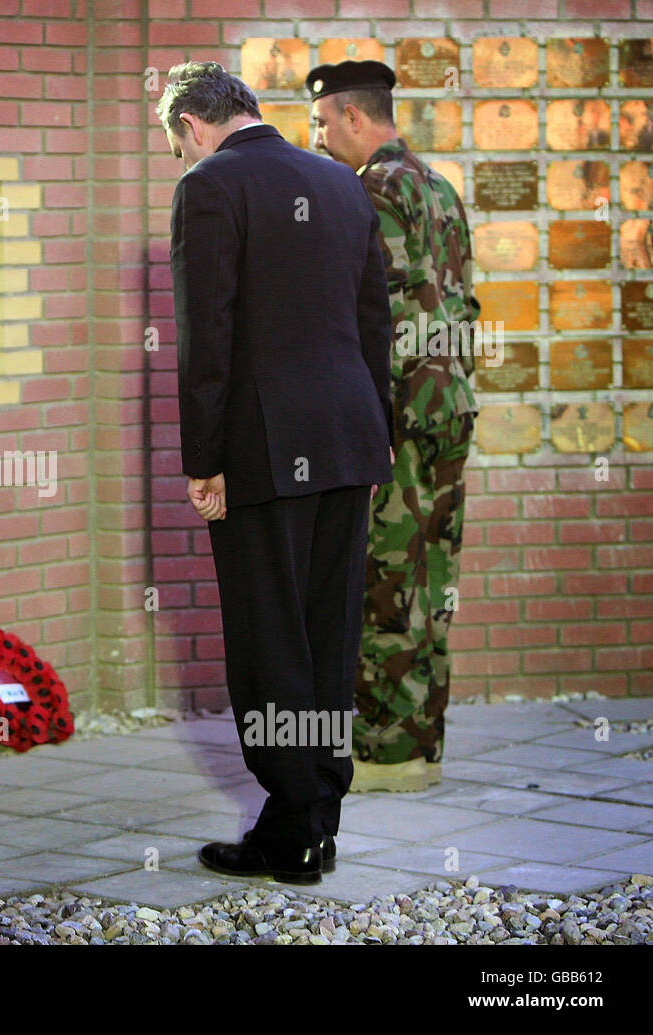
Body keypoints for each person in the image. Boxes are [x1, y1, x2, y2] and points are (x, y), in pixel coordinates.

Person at [158, 61, 394, 884]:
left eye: (179, 147)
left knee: (269, 641)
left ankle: (293, 827)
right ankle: (314, 818)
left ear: (191, 125)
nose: (185, 162)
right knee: (328, 636)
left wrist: (204, 462)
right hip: (347, 439)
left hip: (262, 450)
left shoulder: (209, 187)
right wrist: (380, 438)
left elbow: (205, 339)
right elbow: (375, 319)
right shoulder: (338, 181)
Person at [307, 60, 480, 792]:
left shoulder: (371, 190)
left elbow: (363, 314)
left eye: (321, 123)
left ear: (352, 116)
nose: (316, 139)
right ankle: (424, 744)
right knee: (433, 574)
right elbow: (463, 303)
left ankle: (385, 753)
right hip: (449, 406)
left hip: (399, 412)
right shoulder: (438, 187)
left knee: (386, 576)